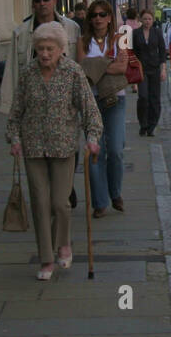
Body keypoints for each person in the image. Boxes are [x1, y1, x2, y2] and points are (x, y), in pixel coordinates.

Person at [6, 22, 102, 279]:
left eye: (49, 48)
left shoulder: (72, 72)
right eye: (40, 49)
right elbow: (15, 114)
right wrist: (14, 139)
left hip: (63, 146)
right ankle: (46, 260)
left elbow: (89, 109)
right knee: (40, 203)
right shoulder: (28, 74)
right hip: (34, 146)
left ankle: (64, 244)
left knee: (61, 202)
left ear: (61, 49)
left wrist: (92, 137)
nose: (45, 54)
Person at [0, 0, 82, 113]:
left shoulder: (72, 28)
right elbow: (12, 69)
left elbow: (79, 64)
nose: (42, 3)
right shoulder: (20, 33)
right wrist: (9, 105)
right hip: (33, 99)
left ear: (54, 1)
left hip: (65, 99)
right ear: (33, 4)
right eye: (37, 0)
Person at [84, 0, 129, 218]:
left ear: (110, 18)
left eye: (102, 14)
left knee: (116, 150)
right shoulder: (82, 42)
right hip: (91, 101)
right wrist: (108, 64)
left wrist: (97, 66)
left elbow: (123, 67)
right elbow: (81, 70)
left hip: (115, 99)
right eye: (94, 15)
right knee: (95, 151)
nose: (98, 19)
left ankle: (116, 193)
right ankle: (100, 202)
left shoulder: (119, 39)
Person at [132, 9, 168, 136]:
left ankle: (152, 125)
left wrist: (163, 70)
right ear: (140, 20)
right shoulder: (136, 33)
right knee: (143, 97)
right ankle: (143, 124)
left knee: (154, 98)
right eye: (145, 19)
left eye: (149, 19)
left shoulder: (157, 32)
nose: (147, 21)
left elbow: (162, 52)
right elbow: (133, 54)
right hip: (141, 70)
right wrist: (133, 78)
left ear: (153, 20)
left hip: (154, 69)